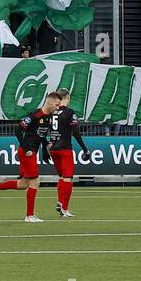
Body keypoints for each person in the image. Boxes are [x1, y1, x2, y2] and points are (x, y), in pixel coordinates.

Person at [0, 91, 60, 223]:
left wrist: (45, 150)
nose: (58, 108)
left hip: (32, 152)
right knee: (35, 181)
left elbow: (40, 136)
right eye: (57, 105)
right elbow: (18, 130)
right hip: (26, 152)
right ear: (50, 102)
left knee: (23, 184)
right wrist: (27, 148)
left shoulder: (49, 117)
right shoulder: (35, 115)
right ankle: (29, 215)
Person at [49, 88, 90, 219]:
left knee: (61, 177)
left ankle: (60, 201)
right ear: (67, 97)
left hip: (53, 149)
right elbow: (76, 133)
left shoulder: (52, 112)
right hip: (65, 149)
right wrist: (85, 149)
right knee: (68, 178)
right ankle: (64, 209)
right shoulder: (69, 113)